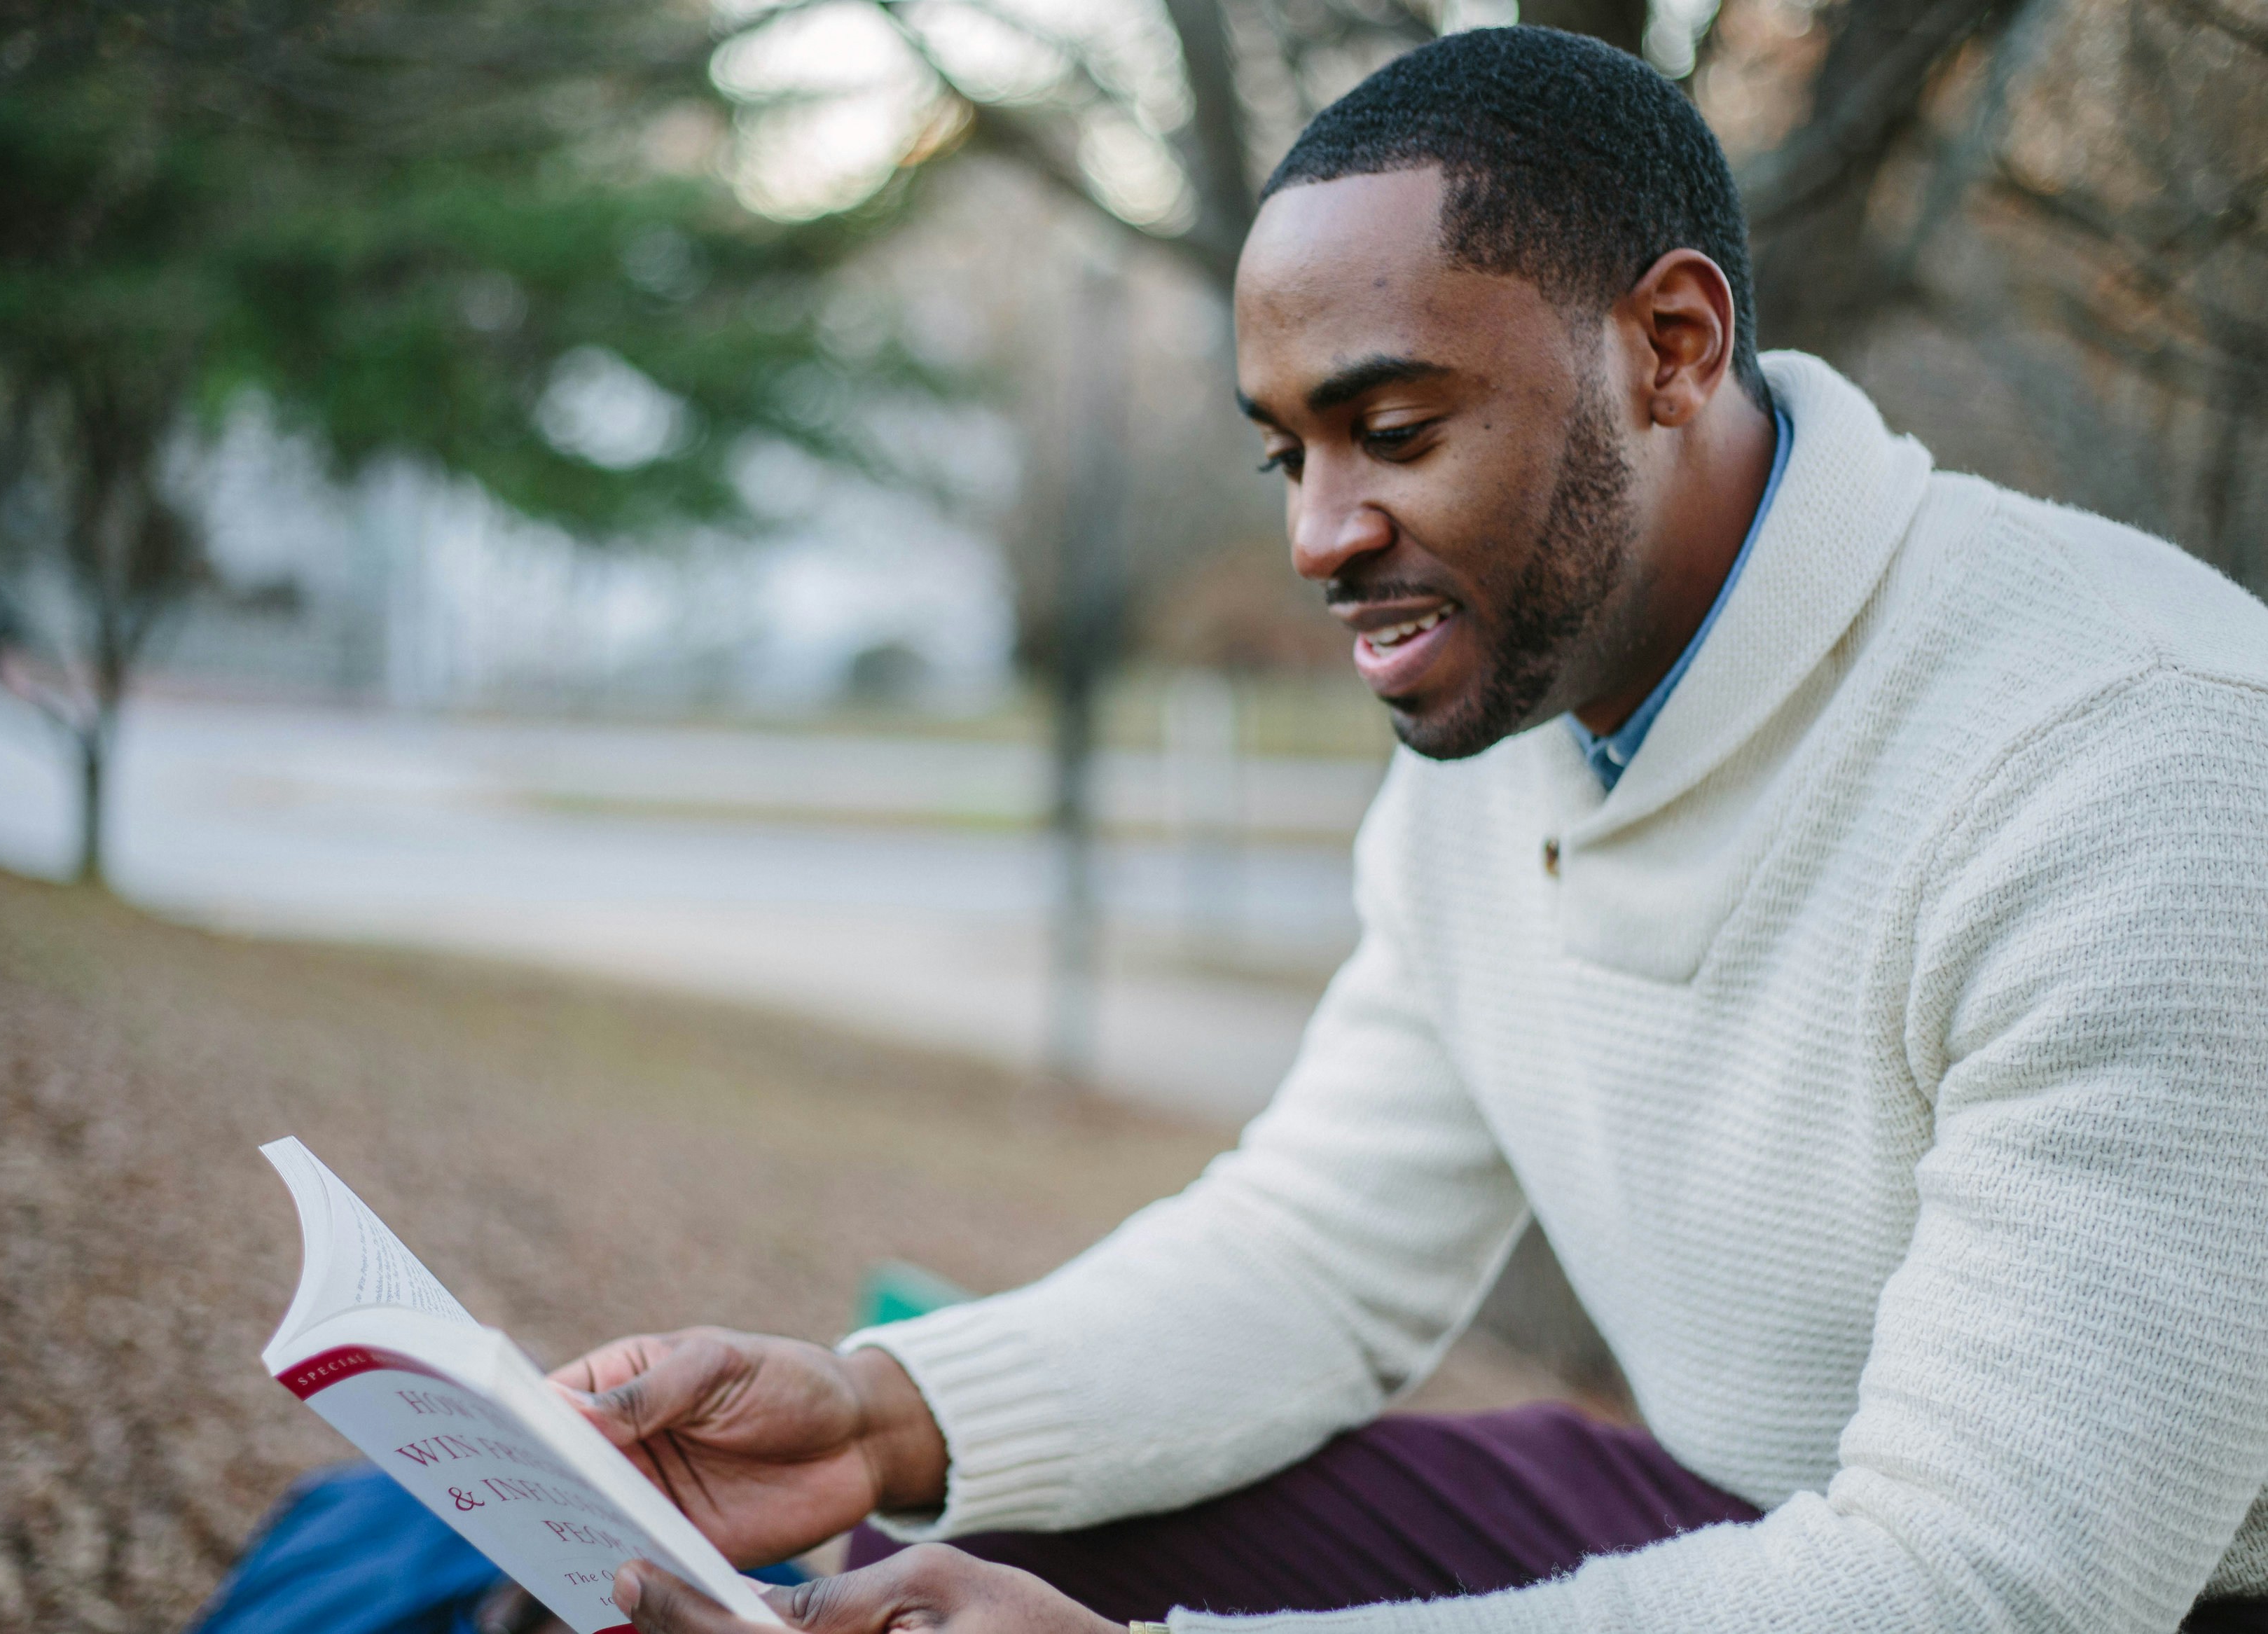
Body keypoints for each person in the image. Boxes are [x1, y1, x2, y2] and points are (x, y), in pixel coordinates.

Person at [553, 25, 2268, 1634]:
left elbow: (1986, 1591)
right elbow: (1316, 1255)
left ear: (1670, 346)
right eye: (1284, 455)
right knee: (967, 1546)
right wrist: (876, 1416)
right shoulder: (1519, 717)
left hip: (2115, 1594)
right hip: (1754, 1508)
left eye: (1391, 433)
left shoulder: (2134, 769)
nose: (1318, 534)